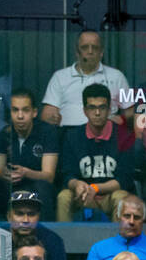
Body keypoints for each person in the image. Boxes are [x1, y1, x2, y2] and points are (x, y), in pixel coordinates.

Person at [55, 84, 136, 222]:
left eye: (102, 107)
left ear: (109, 109)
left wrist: (95, 188)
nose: (97, 113)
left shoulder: (124, 136)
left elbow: (124, 179)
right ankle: (65, 242)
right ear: (85, 110)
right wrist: (77, 185)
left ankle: (118, 243)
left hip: (110, 195)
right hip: (82, 194)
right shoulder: (72, 136)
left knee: (121, 196)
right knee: (64, 197)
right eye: (92, 107)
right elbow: (67, 174)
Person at [0, 88, 59, 218]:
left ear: (34, 112)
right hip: (10, 185)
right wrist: (4, 173)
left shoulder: (48, 133)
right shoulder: (2, 135)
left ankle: (46, 234)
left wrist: (26, 173)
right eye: (15, 110)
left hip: (36, 185)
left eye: (25, 110)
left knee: (44, 188)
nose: (20, 116)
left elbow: (49, 176)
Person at [41, 31, 129, 127]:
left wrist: (121, 120)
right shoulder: (60, 77)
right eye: (85, 47)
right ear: (77, 52)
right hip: (68, 136)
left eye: (95, 47)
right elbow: (47, 114)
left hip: (105, 136)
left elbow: (130, 113)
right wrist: (52, 117)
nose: (90, 51)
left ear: (101, 52)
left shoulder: (117, 76)